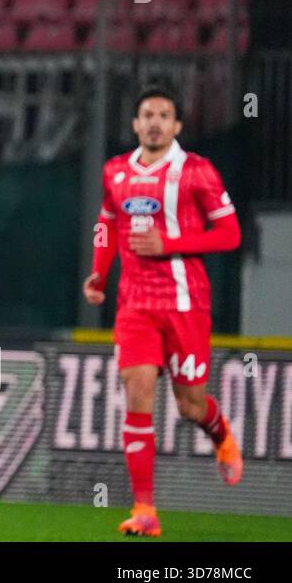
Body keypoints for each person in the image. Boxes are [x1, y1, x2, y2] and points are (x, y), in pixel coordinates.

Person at [84, 85, 243, 537]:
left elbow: (229, 235)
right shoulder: (115, 172)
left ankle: (220, 434)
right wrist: (99, 273)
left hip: (186, 304)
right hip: (135, 305)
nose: (154, 121)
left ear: (176, 125)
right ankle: (145, 510)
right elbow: (106, 224)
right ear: (135, 124)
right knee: (137, 395)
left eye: (164, 115)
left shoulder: (198, 172)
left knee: (190, 406)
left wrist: (168, 244)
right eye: (147, 114)